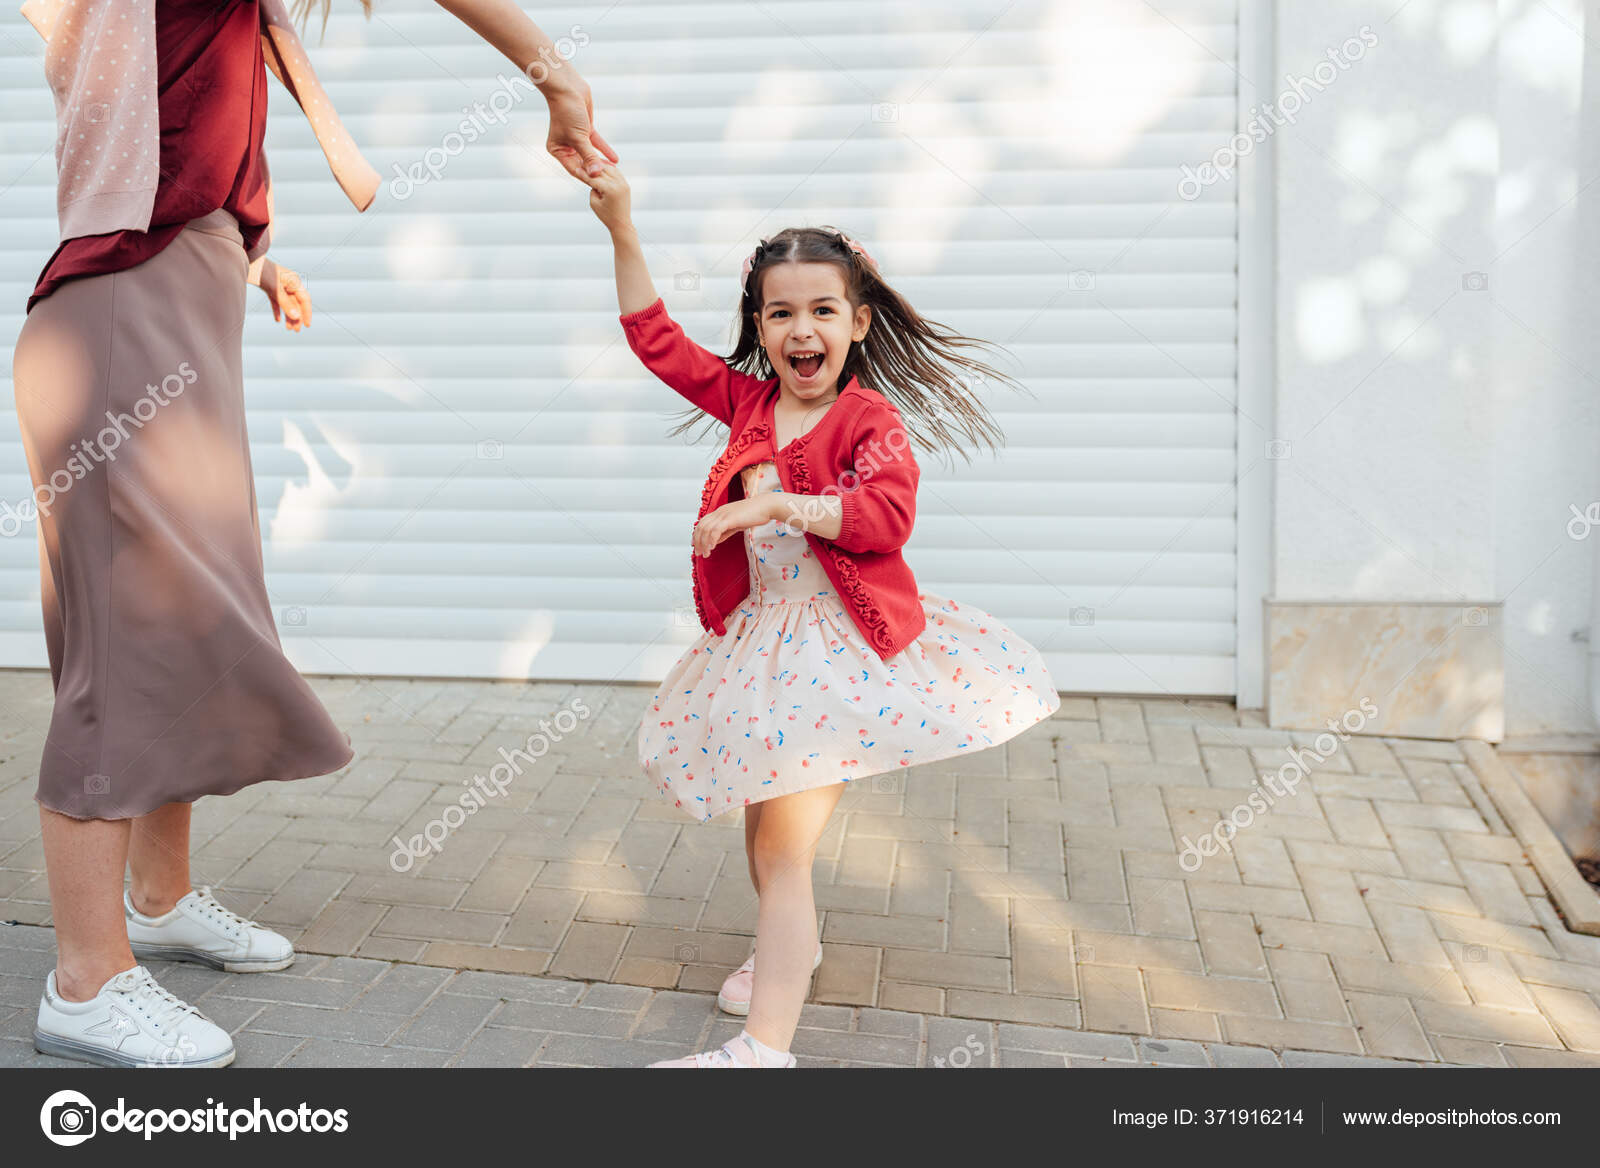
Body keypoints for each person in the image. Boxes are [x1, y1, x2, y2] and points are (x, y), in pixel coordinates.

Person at [15, 0, 614, 1069]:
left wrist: (246, 260)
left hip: (183, 298)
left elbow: (186, 123)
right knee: (122, 652)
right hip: (120, 315)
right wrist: (548, 69)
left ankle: (157, 897)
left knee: (197, 629)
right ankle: (85, 981)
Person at [587, 164, 1061, 1068]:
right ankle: (786, 950)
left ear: (857, 321)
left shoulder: (866, 418)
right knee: (764, 836)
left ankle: (764, 1053)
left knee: (791, 848)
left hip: (840, 653)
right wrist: (621, 226)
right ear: (758, 326)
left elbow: (886, 517)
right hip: (765, 646)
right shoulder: (749, 401)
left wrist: (771, 507)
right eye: (778, 313)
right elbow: (655, 342)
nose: (801, 329)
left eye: (821, 310)